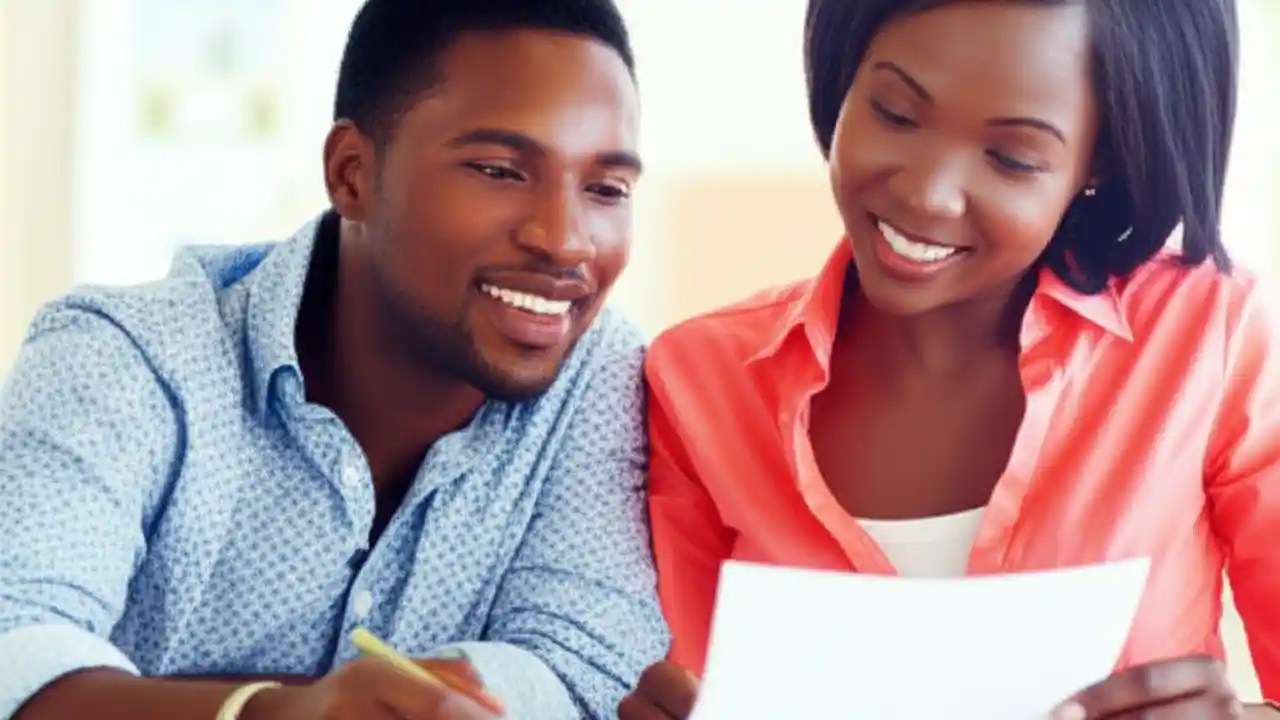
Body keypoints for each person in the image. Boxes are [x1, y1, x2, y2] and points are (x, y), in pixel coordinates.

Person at [0, 1, 667, 719]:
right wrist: (278, 713)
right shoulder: (126, 357)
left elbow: (589, 676)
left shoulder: (599, 376)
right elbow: (18, 648)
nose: (566, 241)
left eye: (606, 189)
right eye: (501, 170)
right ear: (351, 173)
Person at [621, 0, 1280, 718]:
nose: (926, 195)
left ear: (1102, 159)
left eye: (1013, 158)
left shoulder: (1206, 335)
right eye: (896, 114)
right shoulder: (697, 382)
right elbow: (667, 680)